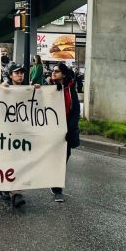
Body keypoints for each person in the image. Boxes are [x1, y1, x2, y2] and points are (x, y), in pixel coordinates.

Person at [0, 63, 30, 208]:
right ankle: (14, 192)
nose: (20, 75)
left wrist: (38, 91)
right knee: (8, 161)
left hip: (22, 134)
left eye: (22, 73)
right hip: (6, 133)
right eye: (17, 73)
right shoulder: (4, 88)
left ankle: (13, 190)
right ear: (10, 75)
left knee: (19, 162)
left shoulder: (28, 89)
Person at [49, 61, 81, 202]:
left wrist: (70, 128)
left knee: (64, 157)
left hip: (65, 131)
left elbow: (75, 111)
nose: (53, 73)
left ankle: (56, 187)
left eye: (57, 71)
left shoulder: (70, 89)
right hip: (50, 130)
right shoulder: (47, 87)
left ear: (63, 74)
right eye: (53, 71)